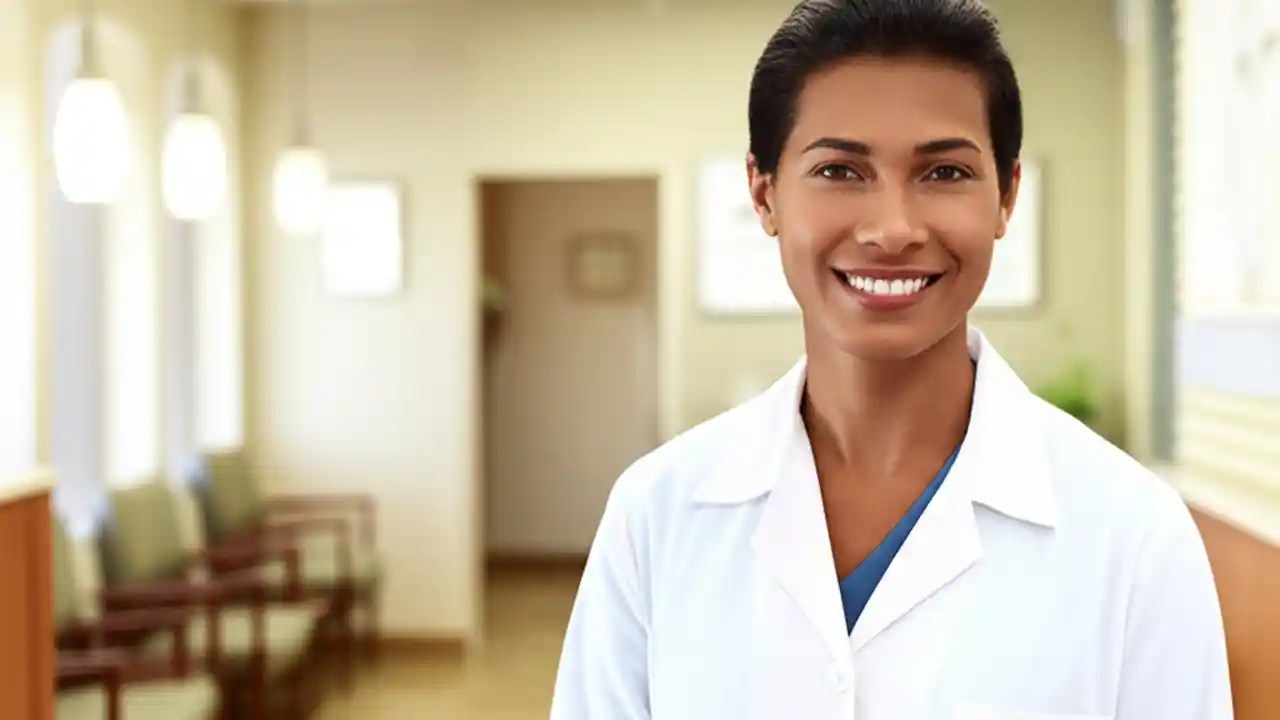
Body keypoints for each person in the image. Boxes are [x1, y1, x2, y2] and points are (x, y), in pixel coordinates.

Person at [550, 0, 1232, 717]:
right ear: (764, 192)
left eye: (945, 173)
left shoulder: (1133, 533)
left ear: (1006, 196)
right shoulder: (656, 514)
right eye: (839, 170)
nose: (892, 229)